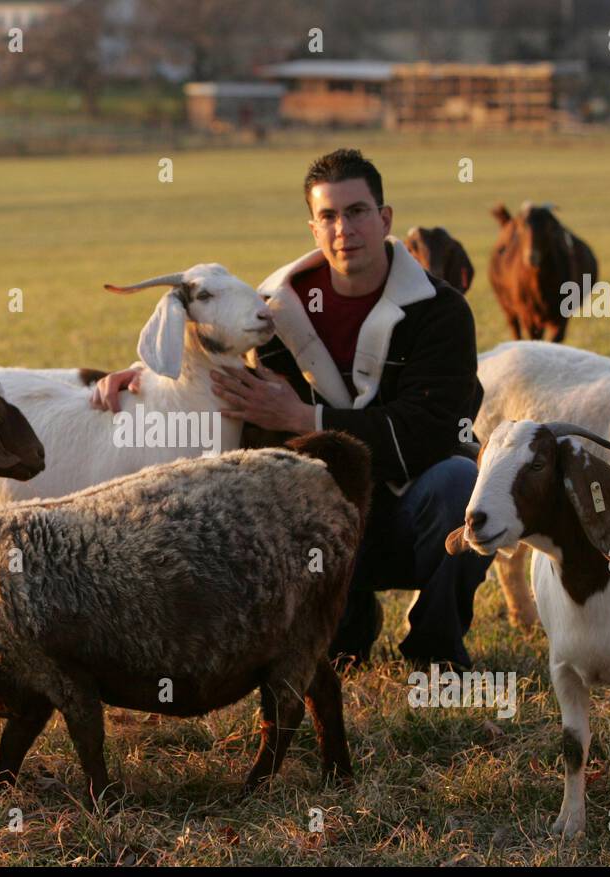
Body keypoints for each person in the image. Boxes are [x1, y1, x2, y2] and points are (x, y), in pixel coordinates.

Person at [91, 148, 493, 670]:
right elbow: (214, 339)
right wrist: (140, 374)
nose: (343, 229)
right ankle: (344, 624)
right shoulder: (279, 308)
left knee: (460, 482)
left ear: (385, 218)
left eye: (357, 212)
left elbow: (432, 429)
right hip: (318, 517)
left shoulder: (441, 311)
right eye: (329, 216)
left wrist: (309, 421)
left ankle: (436, 647)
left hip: (413, 507)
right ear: (313, 227)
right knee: (275, 506)